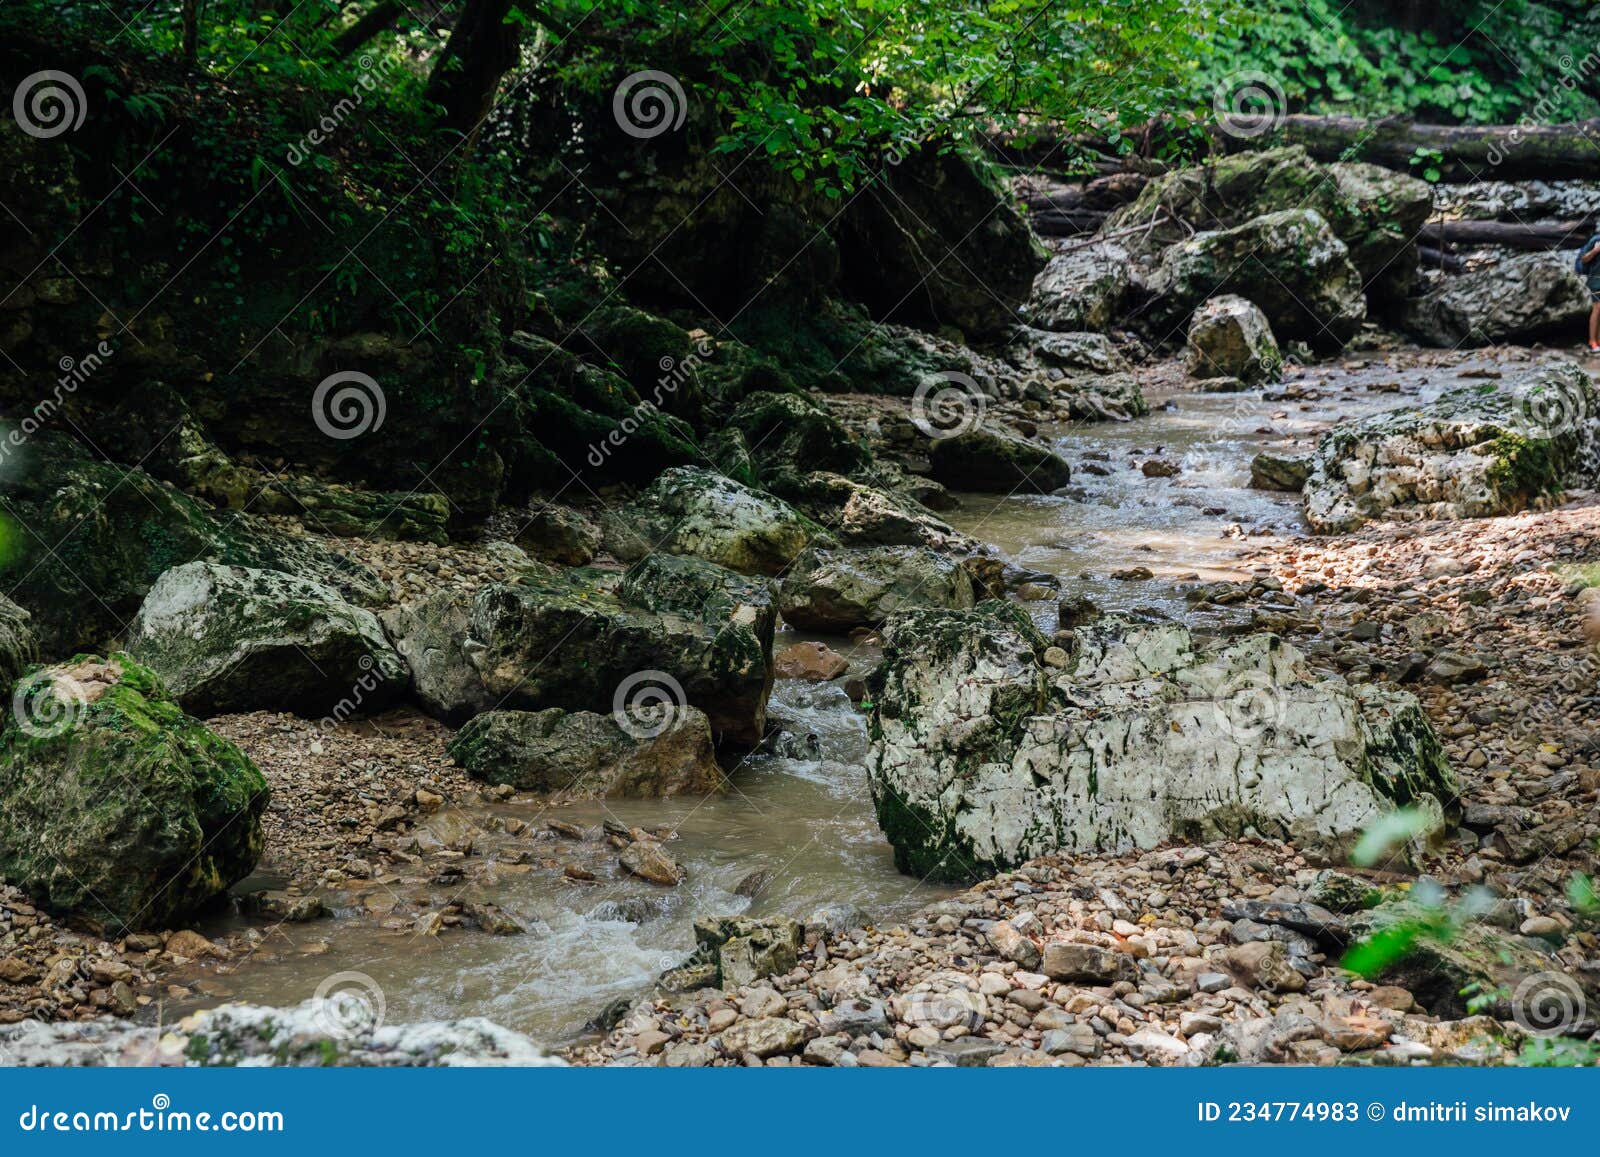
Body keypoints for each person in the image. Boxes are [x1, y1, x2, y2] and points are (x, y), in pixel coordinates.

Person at [1579, 230, 1600, 353]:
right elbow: (1584, 259)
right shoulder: (1596, 240)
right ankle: (1592, 342)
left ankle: (1598, 341)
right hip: (1595, 281)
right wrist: (1595, 251)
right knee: (1597, 308)